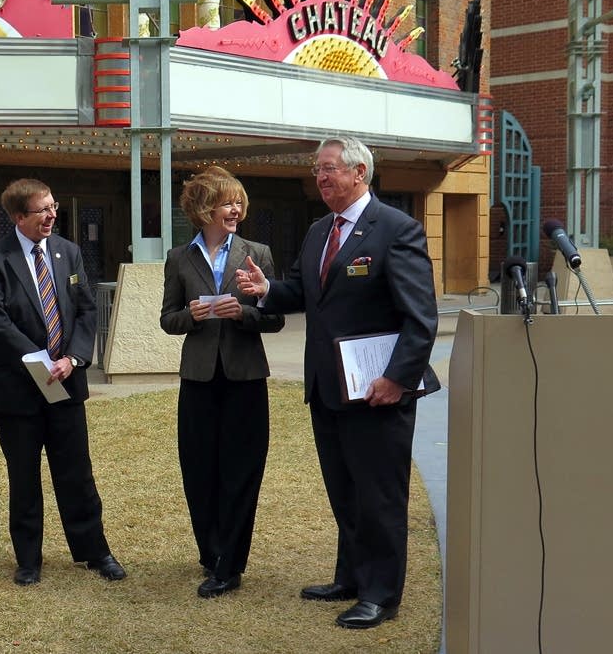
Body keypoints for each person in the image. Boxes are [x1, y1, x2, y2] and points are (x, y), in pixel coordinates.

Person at [235, 135, 439, 630]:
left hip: (378, 392)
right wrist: (266, 290)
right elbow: (306, 292)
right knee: (345, 492)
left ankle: (382, 595)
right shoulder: (319, 231)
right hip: (329, 389)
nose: (320, 177)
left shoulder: (397, 230)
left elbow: (421, 318)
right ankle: (351, 577)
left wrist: (396, 379)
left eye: (329, 168)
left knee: (380, 497)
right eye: (317, 169)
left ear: (359, 173)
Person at [0, 178, 125, 586]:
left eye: (53, 207)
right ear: (18, 217)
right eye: (42, 210)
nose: (52, 215)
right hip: (17, 389)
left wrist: (72, 359)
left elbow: (86, 310)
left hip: (66, 383)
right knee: (24, 476)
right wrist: (41, 362)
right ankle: (28, 560)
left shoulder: (68, 252)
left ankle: (95, 552)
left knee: (77, 473)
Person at [159, 167, 284, 599]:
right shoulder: (179, 258)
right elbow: (167, 319)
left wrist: (244, 313)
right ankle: (210, 553)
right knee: (198, 470)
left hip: (245, 378)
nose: (236, 210)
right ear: (203, 208)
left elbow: (274, 317)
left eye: (239, 202)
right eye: (227, 202)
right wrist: (190, 316)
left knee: (241, 471)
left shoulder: (257, 253)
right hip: (198, 378)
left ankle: (230, 565)